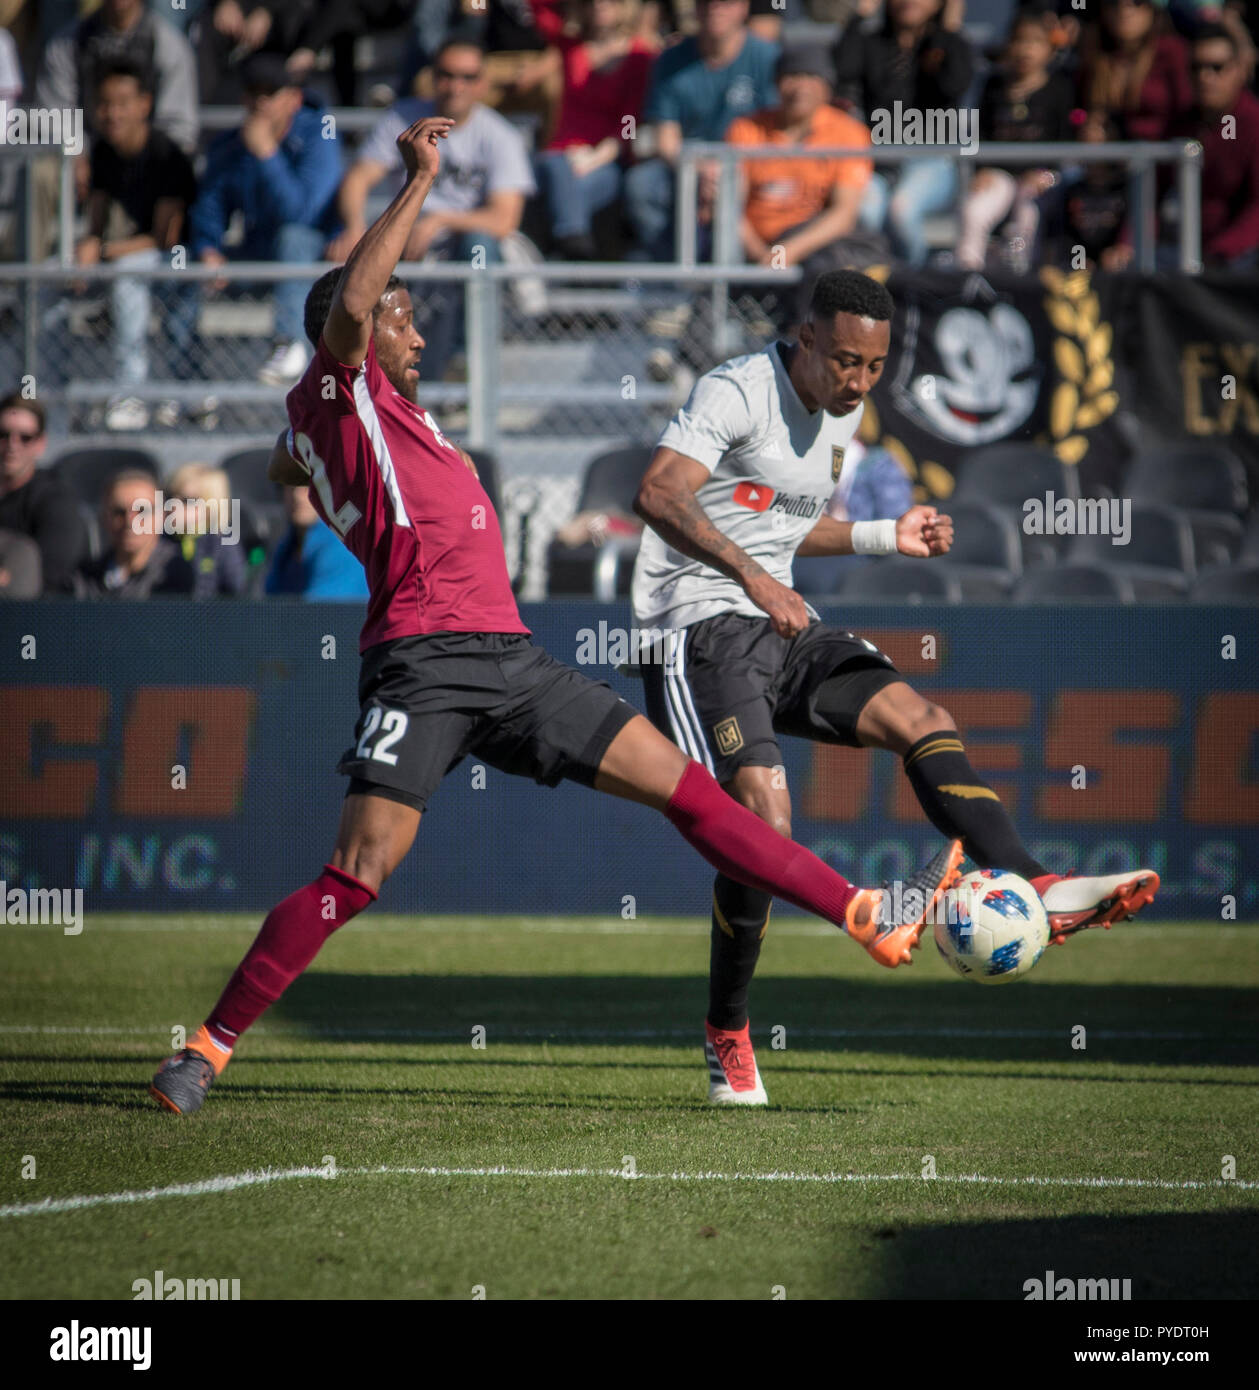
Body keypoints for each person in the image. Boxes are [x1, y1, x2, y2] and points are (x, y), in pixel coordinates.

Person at [150, 118, 965, 1117]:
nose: (411, 330)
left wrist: (304, 454)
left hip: (514, 662)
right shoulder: (340, 383)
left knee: (696, 799)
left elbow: (292, 453)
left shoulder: (349, 422)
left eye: (406, 318)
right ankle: (205, 1048)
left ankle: (863, 913)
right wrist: (417, 181)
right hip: (422, 663)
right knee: (356, 872)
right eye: (402, 317)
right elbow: (354, 303)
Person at [629, 270, 1161, 1105]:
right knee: (760, 817)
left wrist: (885, 533)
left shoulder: (839, 416)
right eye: (843, 361)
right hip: (695, 629)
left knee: (921, 715)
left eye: (873, 368)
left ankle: (1038, 885)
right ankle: (727, 1031)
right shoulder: (735, 389)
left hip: (782, 623)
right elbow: (657, 492)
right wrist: (755, 581)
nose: (857, 382)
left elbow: (779, 523)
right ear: (805, 339)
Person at [328, 38, 534, 381]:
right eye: (446, 74)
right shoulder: (403, 119)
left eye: (468, 77)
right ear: (432, 77)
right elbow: (358, 177)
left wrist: (439, 221)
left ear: (482, 83)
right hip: (405, 243)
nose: (456, 86)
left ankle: (466, 362)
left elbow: (504, 218)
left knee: (479, 245)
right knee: (349, 255)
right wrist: (354, 227)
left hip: (458, 249)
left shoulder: (499, 136)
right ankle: (352, 374)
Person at [189, 53, 344, 388]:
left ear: (293, 98)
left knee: (292, 237)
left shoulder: (320, 135)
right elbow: (210, 207)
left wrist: (267, 155)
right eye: (253, 93)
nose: (260, 103)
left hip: (319, 255)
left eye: (270, 93)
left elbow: (303, 214)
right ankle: (188, 386)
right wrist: (207, 248)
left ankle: (289, 344)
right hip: (260, 252)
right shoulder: (231, 144)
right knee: (185, 265)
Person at [75, 60, 198, 432]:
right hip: (124, 253)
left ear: (145, 104)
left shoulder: (167, 154)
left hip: (174, 259)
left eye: (122, 102)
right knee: (53, 276)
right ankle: (45, 391)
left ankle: (131, 393)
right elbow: (95, 220)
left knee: (129, 273)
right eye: (104, 103)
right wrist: (86, 247)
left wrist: (105, 251)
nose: (112, 113)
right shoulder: (103, 150)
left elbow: (165, 237)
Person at [728, 46, 873, 331]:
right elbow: (729, 208)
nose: (800, 86)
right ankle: (683, 362)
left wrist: (785, 252)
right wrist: (760, 254)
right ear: (777, 82)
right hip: (753, 247)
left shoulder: (848, 132)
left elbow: (843, 215)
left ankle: (800, 346)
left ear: (827, 86)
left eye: (810, 76)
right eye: (791, 76)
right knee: (720, 274)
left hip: (813, 244)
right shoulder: (746, 128)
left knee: (825, 266)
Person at [624, 0, 779, 262]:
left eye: (725, 3)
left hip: (750, 163)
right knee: (642, 184)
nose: (715, 9)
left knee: (743, 190)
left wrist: (728, 170)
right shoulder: (671, 60)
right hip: (686, 164)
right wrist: (699, 170)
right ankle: (674, 280)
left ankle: (740, 284)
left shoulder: (767, 57)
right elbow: (666, 140)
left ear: (743, 7)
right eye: (706, 3)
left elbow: (776, 131)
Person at [834, 0, 975, 268]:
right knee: (867, 210)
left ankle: (911, 283)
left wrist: (947, 31)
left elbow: (954, 85)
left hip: (932, 161)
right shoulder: (873, 43)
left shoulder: (946, 43)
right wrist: (861, 13)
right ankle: (877, 281)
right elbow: (842, 68)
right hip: (878, 160)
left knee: (902, 209)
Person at [531, 0, 656, 259]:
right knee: (556, 168)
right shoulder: (568, 47)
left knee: (573, 189)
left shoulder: (639, 56)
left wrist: (594, 158)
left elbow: (630, 123)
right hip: (558, 153)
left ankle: (566, 253)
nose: (599, 4)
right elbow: (540, 10)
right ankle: (574, 243)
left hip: (606, 158)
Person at [956, 8, 1074, 273]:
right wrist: (980, 168)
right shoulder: (993, 85)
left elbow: (1064, 139)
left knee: (1028, 212)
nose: (1025, 50)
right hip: (1000, 173)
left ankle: (1020, 275)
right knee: (974, 210)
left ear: (1050, 50)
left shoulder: (1060, 88)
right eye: (1020, 41)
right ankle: (966, 274)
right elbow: (980, 133)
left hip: (1044, 175)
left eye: (1035, 42)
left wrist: (1046, 171)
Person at [0, 393, 86, 594]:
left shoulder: (56, 501)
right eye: (3, 435)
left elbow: (47, 579)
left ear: (41, 443)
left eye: (25, 437)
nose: (12, 445)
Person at [1075, 0, 1192, 143]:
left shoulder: (1173, 51)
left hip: (1165, 154)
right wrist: (1088, 126)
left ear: (1153, 9)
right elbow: (1078, 111)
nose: (1125, 10)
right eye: (1114, 3)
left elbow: (1188, 111)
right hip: (1111, 157)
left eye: (1137, 2)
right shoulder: (1093, 55)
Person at [75, 469, 197, 598]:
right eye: (119, 512)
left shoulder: (174, 575)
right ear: (103, 518)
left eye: (142, 511)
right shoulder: (84, 578)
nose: (131, 522)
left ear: (162, 516)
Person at [265, 483, 371, 598]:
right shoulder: (284, 548)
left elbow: (318, 613)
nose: (297, 496)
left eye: (307, 487)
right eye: (291, 486)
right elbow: (270, 605)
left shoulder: (342, 545)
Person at [165, 463, 249, 597]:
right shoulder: (161, 542)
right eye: (169, 497)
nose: (173, 506)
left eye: (188, 501)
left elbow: (236, 591)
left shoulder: (223, 545)